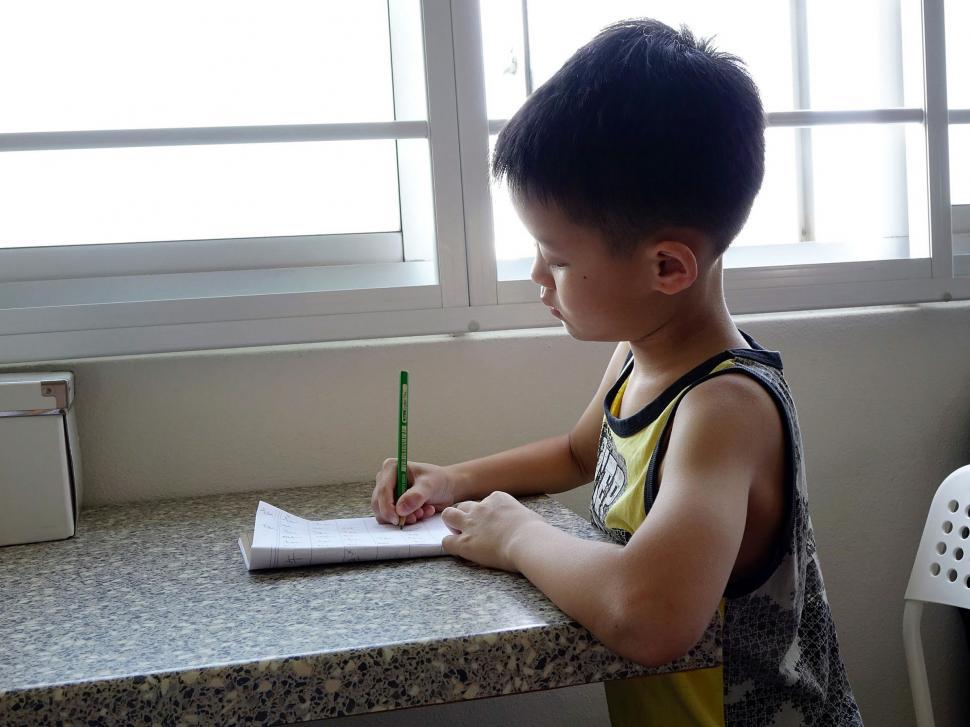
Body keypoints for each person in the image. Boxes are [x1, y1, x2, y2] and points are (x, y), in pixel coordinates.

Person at [371, 18, 862, 726]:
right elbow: (579, 452)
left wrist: (517, 536)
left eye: (559, 258)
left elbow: (651, 614)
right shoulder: (640, 353)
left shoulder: (723, 409)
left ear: (667, 265)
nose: (538, 276)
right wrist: (454, 479)